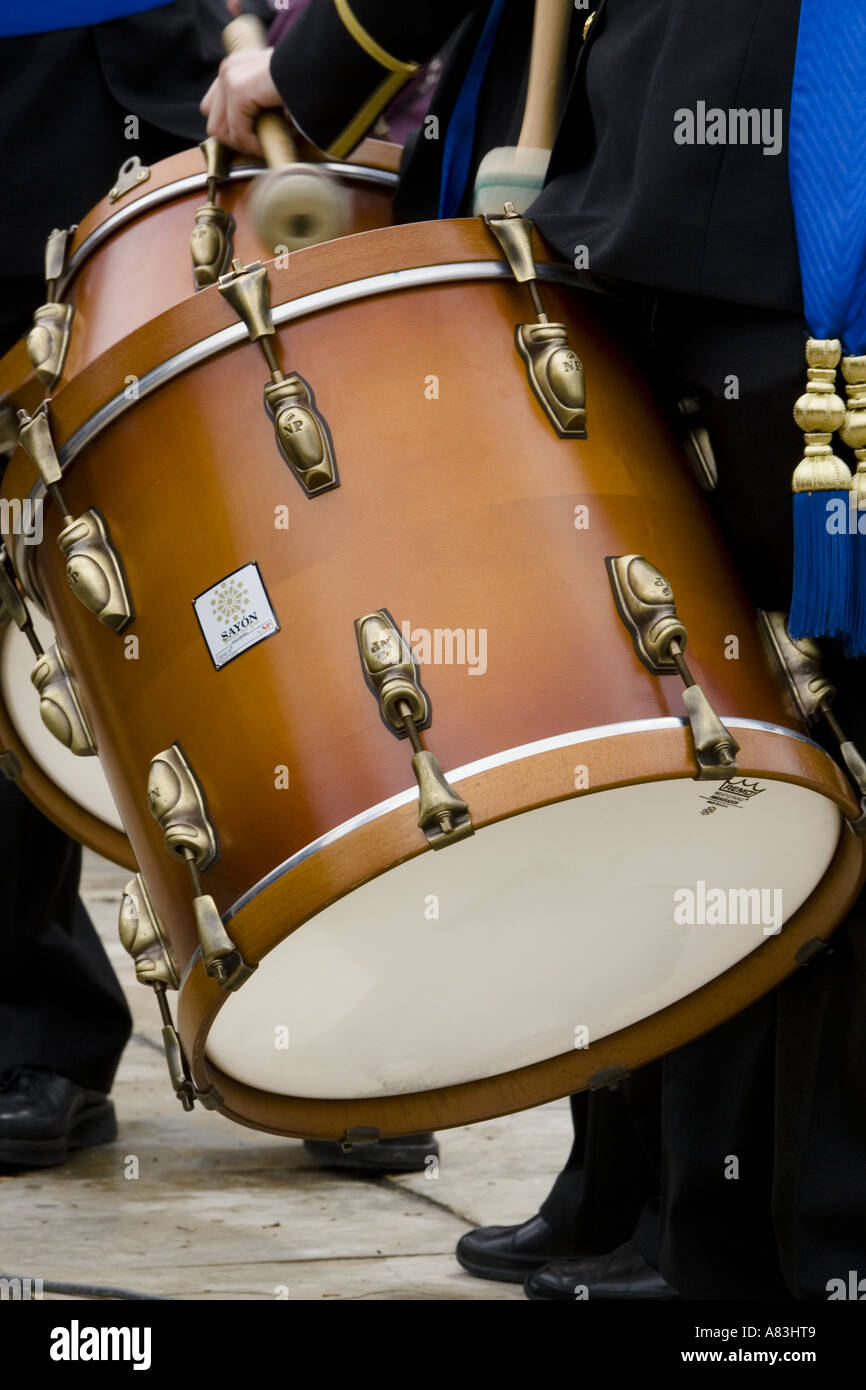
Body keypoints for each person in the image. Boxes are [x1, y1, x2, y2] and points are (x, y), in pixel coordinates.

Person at [203, 0, 866, 1299]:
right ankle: (753, 1250)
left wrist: (311, 71)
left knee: (732, 778)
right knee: (759, 780)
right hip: (766, 234)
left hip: (692, 213)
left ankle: (721, 1248)